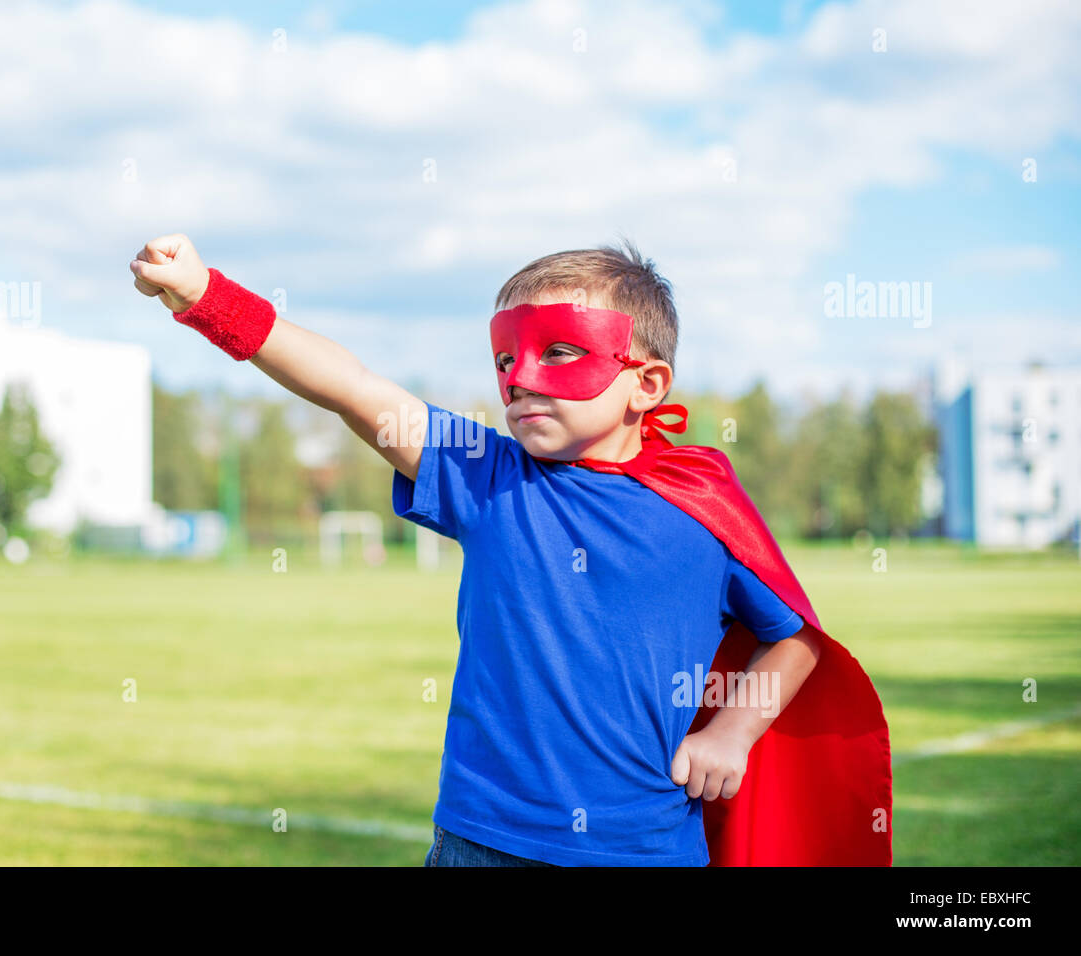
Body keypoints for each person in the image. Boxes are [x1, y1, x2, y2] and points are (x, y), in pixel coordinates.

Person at [129, 235, 892, 867]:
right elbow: (354, 388)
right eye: (504, 361)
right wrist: (207, 297)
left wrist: (734, 730)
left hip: (646, 848)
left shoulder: (701, 502)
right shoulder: (486, 475)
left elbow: (794, 637)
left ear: (647, 384)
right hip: (478, 843)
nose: (520, 379)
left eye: (559, 353)